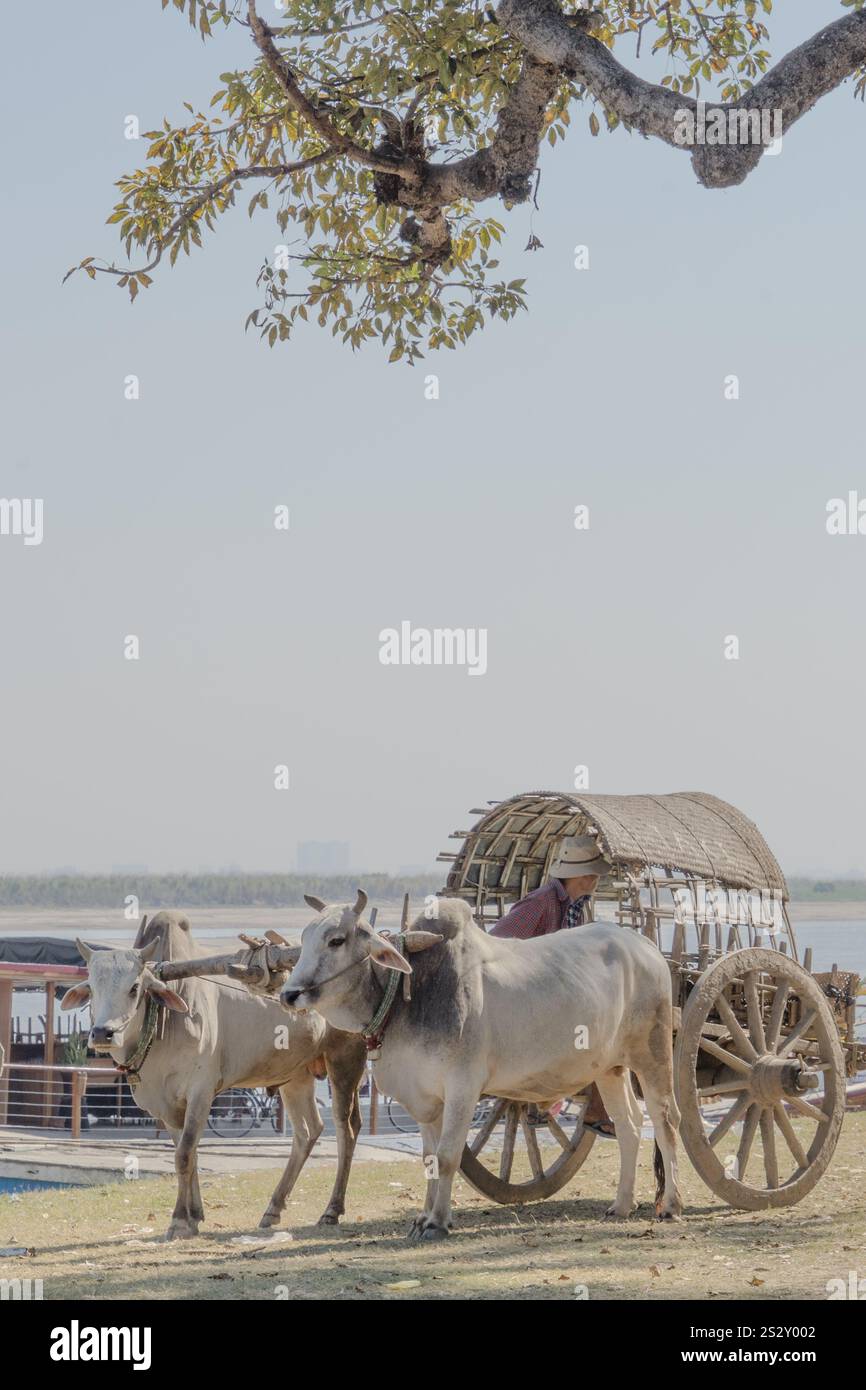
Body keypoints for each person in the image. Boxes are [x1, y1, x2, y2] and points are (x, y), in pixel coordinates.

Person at [489, 833, 615, 1137]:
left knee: (601, 1023)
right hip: (530, 1004)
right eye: (594, 873)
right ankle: (579, 1105)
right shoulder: (541, 902)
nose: (597, 879)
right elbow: (496, 944)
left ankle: (561, 1100)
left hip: (559, 1000)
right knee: (600, 1036)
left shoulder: (577, 906)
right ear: (584, 876)